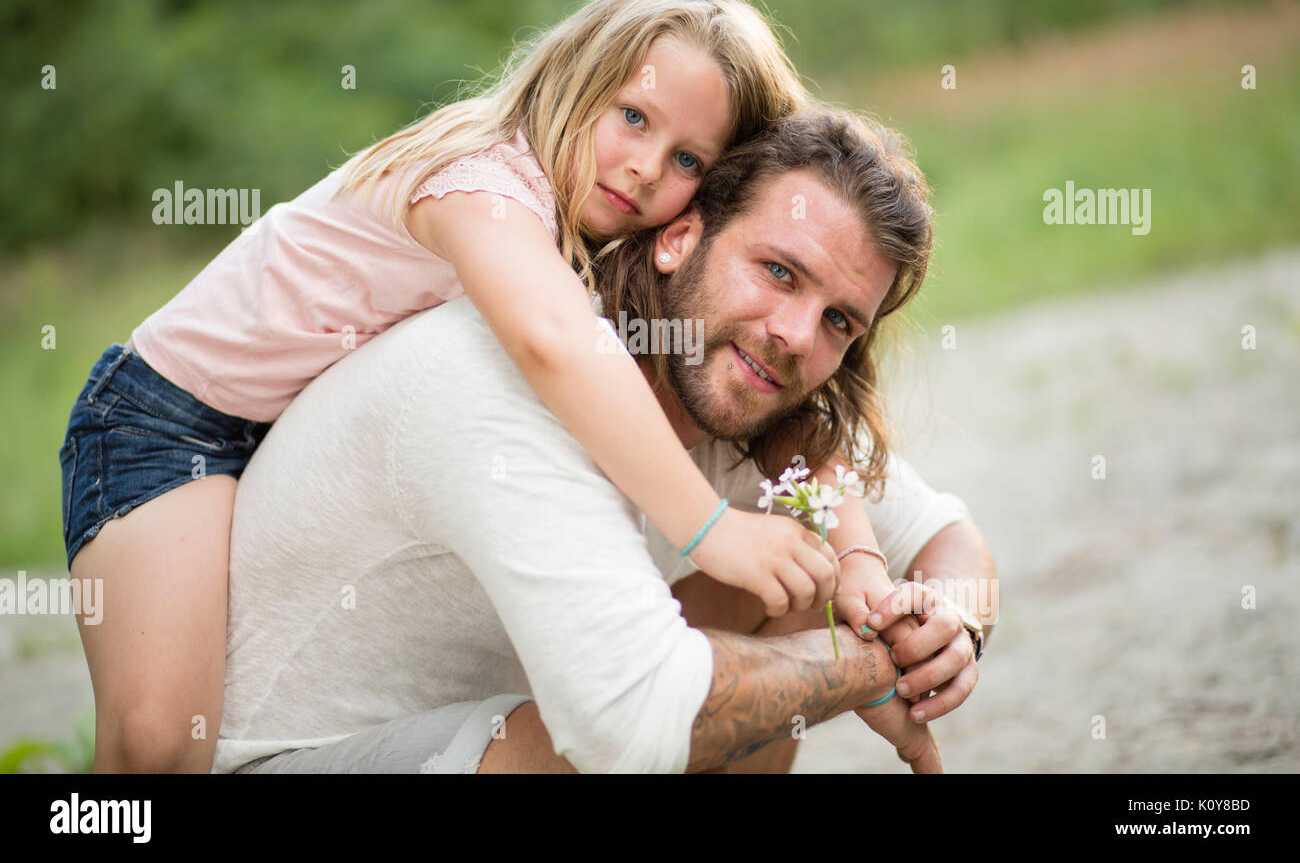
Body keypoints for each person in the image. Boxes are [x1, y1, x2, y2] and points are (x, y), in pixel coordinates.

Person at [58, 0, 855, 772]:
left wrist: (862, 565)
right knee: (155, 746)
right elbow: (554, 342)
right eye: (633, 117)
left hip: (272, 423)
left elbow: (808, 445)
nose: (646, 167)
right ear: (575, 76)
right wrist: (708, 528)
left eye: (686, 157)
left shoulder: (597, 229)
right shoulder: (485, 184)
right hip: (166, 419)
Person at [213, 109, 996, 774]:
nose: (794, 336)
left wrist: (945, 629)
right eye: (779, 272)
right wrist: (865, 670)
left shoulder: (753, 409)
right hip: (294, 757)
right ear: (679, 238)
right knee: (604, 722)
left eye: (838, 321)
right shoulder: (499, 375)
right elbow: (627, 718)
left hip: (472, 735)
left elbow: (948, 537)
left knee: (803, 562)